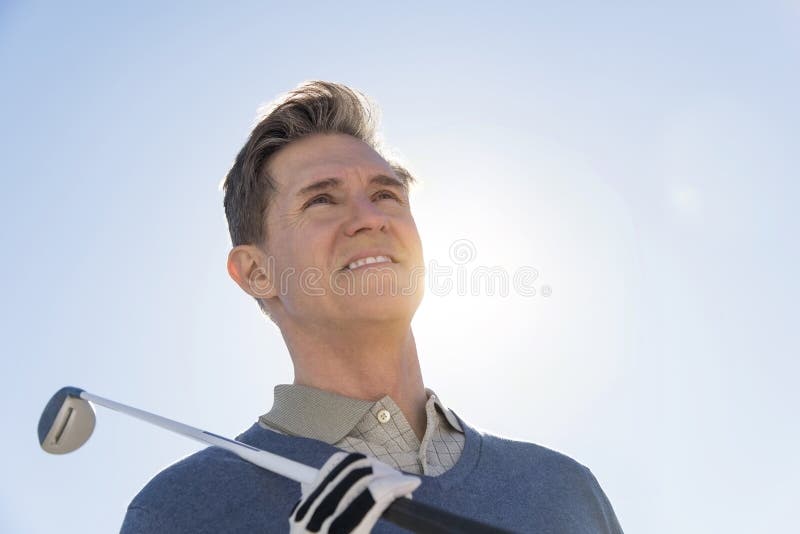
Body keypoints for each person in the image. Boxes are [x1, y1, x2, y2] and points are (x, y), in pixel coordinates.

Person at [120, 81, 624, 533]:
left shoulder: (566, 490)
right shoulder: (175, 514)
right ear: (256, 272)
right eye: (322, 200)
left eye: (385, 195)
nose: (369, 218)